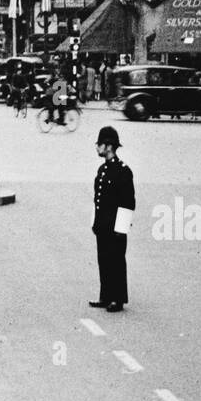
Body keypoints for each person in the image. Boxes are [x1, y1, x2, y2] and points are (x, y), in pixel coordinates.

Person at [90, 126, 135, 313]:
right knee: (103, 260)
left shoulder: (123, 171)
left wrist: (121, 228)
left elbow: (128, 202)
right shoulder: (102, 169)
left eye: (99, 144)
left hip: (116, 226)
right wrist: (95, 222)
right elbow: (97, 198)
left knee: (116, 260)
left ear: (108, 146)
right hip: (103, 225)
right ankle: (106, 295)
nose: (96, 147)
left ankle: (118, 298)